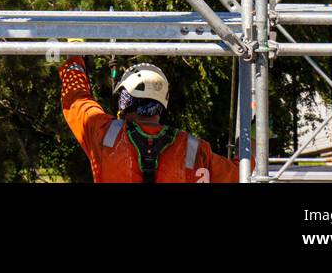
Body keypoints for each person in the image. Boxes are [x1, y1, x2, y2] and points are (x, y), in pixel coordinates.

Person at [59, 55, 243, 183]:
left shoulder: (103, 132)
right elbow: (240, 175)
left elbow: (76, 98)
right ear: (163, 103)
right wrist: (251, 139)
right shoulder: (193, 148)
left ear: (124, 100)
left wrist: (74, 55)